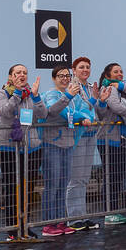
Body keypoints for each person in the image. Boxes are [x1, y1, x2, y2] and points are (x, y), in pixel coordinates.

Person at [0, 64, 45, 239]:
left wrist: (36, 97)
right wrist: (16, 93)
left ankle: (25, 224)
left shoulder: (31, 94)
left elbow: (43, 114)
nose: (22, 75)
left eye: (24, 73)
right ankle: (12, 226)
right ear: (10, 76)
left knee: (28, 187)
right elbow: (5, 111)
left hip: (31, 147)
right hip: (8, 147)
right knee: (12, 187)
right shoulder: (2, 93)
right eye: (18, 73)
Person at [38, 66, 82, 237]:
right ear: (54, 78)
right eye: (61, 76)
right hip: (52, 145)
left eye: (67, 76)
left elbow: (83, 110)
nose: (65, 79)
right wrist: (68, 96)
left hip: (68, 144)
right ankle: (48, 223)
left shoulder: (72, 96)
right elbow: (53, 111)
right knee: (52, 184)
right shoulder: (52, 94)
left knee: (63, 184)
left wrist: (85, 114)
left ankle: (60, 221)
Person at [94, 62, 126, 225]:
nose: (120, 74)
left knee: (117, 176)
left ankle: (113, 209)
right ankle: (109, 211)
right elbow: (116, 107)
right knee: (111, 176)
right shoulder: (109, 90)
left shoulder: (120, 89)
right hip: (108, 139)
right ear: (107, 75)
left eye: (121, 71)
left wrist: (123, 86)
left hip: (120, 139)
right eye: (116, 72)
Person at [64, 57, 101, 229]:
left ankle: (82, 215)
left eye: (87, 67)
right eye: (81, 67)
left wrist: (101, 100)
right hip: (78, 135)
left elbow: (94, 109)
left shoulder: (88, 87)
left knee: (84, 178)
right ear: (74, 69)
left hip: (91, 134)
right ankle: (73, 218)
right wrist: (93, 101)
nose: (85, 70)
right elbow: (80, 109)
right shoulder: (72, 87)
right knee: (75, 178)